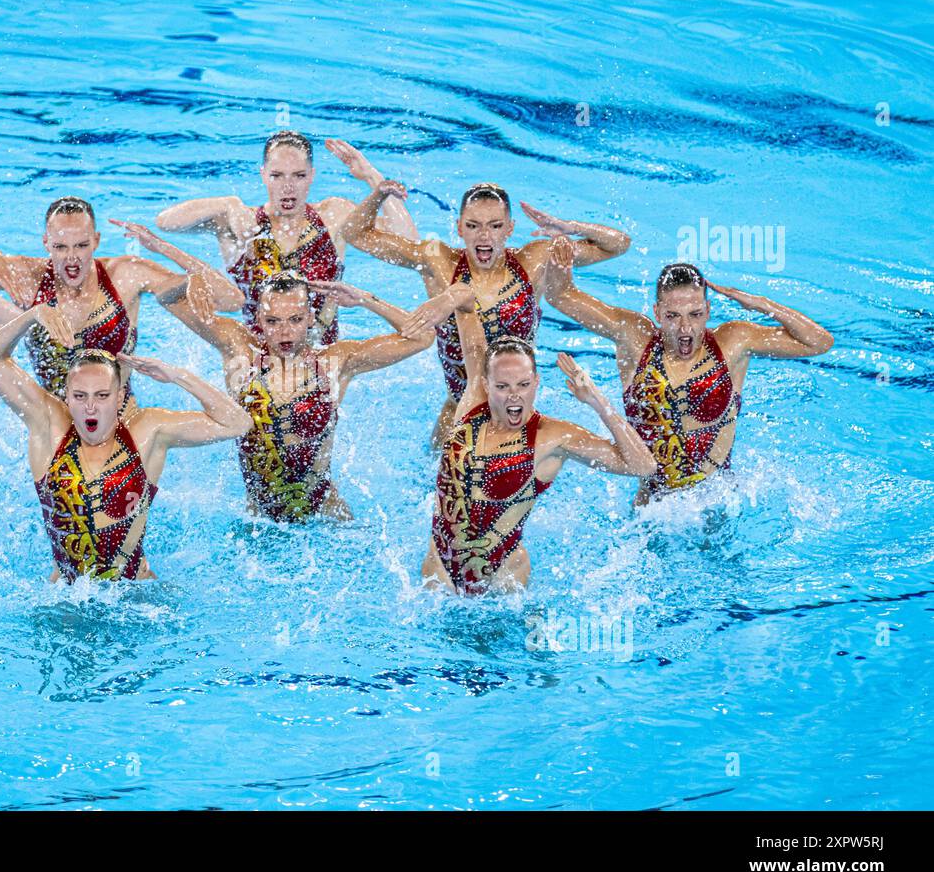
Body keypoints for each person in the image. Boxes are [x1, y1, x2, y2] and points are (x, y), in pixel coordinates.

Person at [424, 237, 656, 594]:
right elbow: (468, 305)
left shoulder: (553, 437)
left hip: (503, 580)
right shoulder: (471, 400)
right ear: (485, 384)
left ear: (536, 383)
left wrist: (597, 402)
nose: (514, 395)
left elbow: (643, 466)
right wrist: (450, 296)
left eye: (523, 384)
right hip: (438, 571)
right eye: (502, 386)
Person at [160, 261, 466, 522]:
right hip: (259, 520)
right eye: (273, 321)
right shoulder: (239, 350)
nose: (285, 332)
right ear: (258, 320)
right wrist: (191, 279)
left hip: (326, 516)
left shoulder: (336, 362)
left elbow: (422, 338)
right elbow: (166, 298)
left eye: (295, 320)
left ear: (310, 318)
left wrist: (365, 300)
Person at [342, 179, 633, 446]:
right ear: (459, 227)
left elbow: (619, 245)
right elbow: (355, 234)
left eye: (495, 226)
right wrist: (378, 195)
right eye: (473, 226)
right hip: (458, 412)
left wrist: (571, 227)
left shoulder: (535, 261)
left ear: (510, 228)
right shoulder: (438, 262)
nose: (484, 236)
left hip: (515, 416)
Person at [0, 308, 251, 582]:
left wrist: (178, 375)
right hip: (66, 597)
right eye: (80, 396)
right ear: (67, 397)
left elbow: (238, 424)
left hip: (135, 595)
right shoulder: (50, 429)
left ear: (119, 398)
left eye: (102, 395)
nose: (90, 407)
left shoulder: (147, 433)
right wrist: (32, 315)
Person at [544, 256, 835, 502]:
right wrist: (561, 255)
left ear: (707, 311)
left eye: (695, 314)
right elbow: (560, 296)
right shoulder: (634, 337)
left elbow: (819, 343)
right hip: (652, 508)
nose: (685, 328)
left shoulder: (733, 342)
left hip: (714, 501)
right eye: (672, 316)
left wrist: (761, 304)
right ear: (657, 312)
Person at [0, 196, 243, 410]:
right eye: (60, 247)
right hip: (56, 424)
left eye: (82, 246)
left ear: (96, 241)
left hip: (120, 421)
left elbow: (232, 300)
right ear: (46, 243)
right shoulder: (26, 274)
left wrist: (171, 255)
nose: (72, 258)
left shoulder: (125, 275)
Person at [155, 132, 418, 345]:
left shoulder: (333, 216)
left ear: (312, 176)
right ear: (263, 175)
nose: (288, 187)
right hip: (256, 368)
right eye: (277, 176)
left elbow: (410, 245)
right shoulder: (240, 223)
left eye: (299, 176)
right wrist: (226, 203)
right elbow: (165, 222)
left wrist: (371, 176)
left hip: (324, 364)